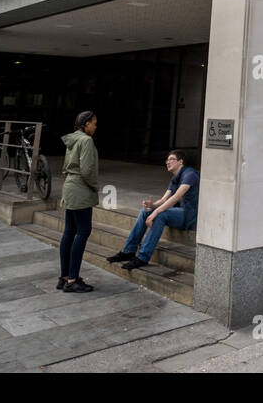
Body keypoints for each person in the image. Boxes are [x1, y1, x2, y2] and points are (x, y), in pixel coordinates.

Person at [107, 150, 199, 270]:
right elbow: (164, 199)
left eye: (171, 159)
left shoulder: (189, 174)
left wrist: (155, 212)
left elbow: (176, 197)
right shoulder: (175, 178)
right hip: (178, 213)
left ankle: (142, 257)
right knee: (145, 212)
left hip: (189, 215)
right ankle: (128, 251)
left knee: (160, 215)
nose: (168, 162)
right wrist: (152, 205)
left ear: (180, 162)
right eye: (167, 160)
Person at [59, 111, 100, 293]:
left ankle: (65, 277)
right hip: (81, 189)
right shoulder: (86, 141)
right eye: (94, 123)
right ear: (86, 124)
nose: (95, 127)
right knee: (83, 232)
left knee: (69, 232)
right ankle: (73, 280)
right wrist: (94, 186)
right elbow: (87, 170)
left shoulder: (73, 139)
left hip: (69, 186)